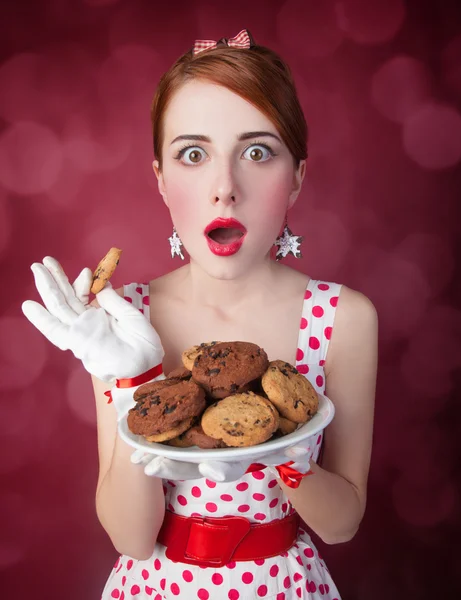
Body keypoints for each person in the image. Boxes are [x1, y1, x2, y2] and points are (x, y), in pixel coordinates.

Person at [22, 29, 378, 600]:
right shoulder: (121, 319)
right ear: (161, 179)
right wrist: (133, 380)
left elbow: (343, 524)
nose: (224, 188)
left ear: (297, 178)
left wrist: (287, 458)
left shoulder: (345, 318)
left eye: (257, 152)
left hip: (284, 585)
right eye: (193, 154)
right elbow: (132, 538)